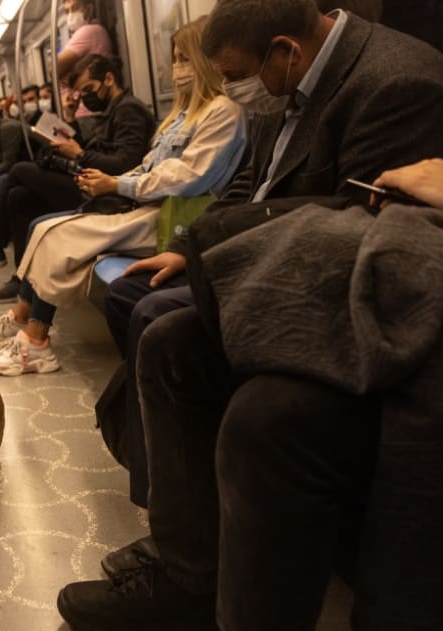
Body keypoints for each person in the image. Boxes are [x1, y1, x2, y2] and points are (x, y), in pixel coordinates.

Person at [64, 2, 443, 629]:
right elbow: (252, 186)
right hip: (290, 271)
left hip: (355, 307)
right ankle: (186, 568)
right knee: (166, 341)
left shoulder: (397, 85)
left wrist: (216, 250)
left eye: (236, 74)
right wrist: (188, 248)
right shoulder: (284, 85)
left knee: (261, 415)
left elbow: (366, 240)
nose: (232, 87)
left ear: (284, 51)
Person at [0, 17, 245, 377]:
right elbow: (148, 165)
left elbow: (189, 176)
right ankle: (26, 323)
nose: (178, 68)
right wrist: (115, 181)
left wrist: (118, 185)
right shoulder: (181, 117)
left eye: (184, 59)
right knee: (43, 227)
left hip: (173, 216)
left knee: (55, 234)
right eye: (175, 59)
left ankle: (35, 343)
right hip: (146, 204)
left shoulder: (223, 112)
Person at [0, 55, 155, 302]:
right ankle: (22, 281)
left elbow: (124, 164)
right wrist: (69, 120)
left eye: (88, 89)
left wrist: (79, 154)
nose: (85, 97)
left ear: (109, 79)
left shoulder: (128, 110)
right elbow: (97, 151)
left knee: (19, 170)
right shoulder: (111, 111)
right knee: (18, 197)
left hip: (108, 195)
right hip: (90, 184)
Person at [58, 0, 113, 119]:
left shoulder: (89, 31)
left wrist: (66, 74)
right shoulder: (82, 34)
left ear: (89, 9)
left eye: (75, 8)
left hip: (87, 114)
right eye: (67, 11)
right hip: (78, 112)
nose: (70, 15)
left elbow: (54, 68)